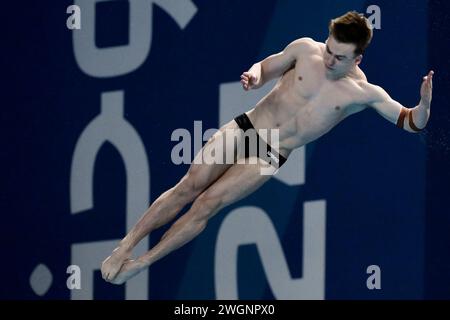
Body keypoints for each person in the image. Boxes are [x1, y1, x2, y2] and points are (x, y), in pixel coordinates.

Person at [101, 11, 433, 284]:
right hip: (247, 127)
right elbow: (267, 66)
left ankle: (142, 263)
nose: (329, 59)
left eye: (340, 57)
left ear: (358, 58)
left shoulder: (364, 94)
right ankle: (126, 245)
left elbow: (410, 121)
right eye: (329, 49)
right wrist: (254, 76)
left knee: (206, 205)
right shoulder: (306, 50)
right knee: (189, 185)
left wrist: (424, 103)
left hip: (270, 154)